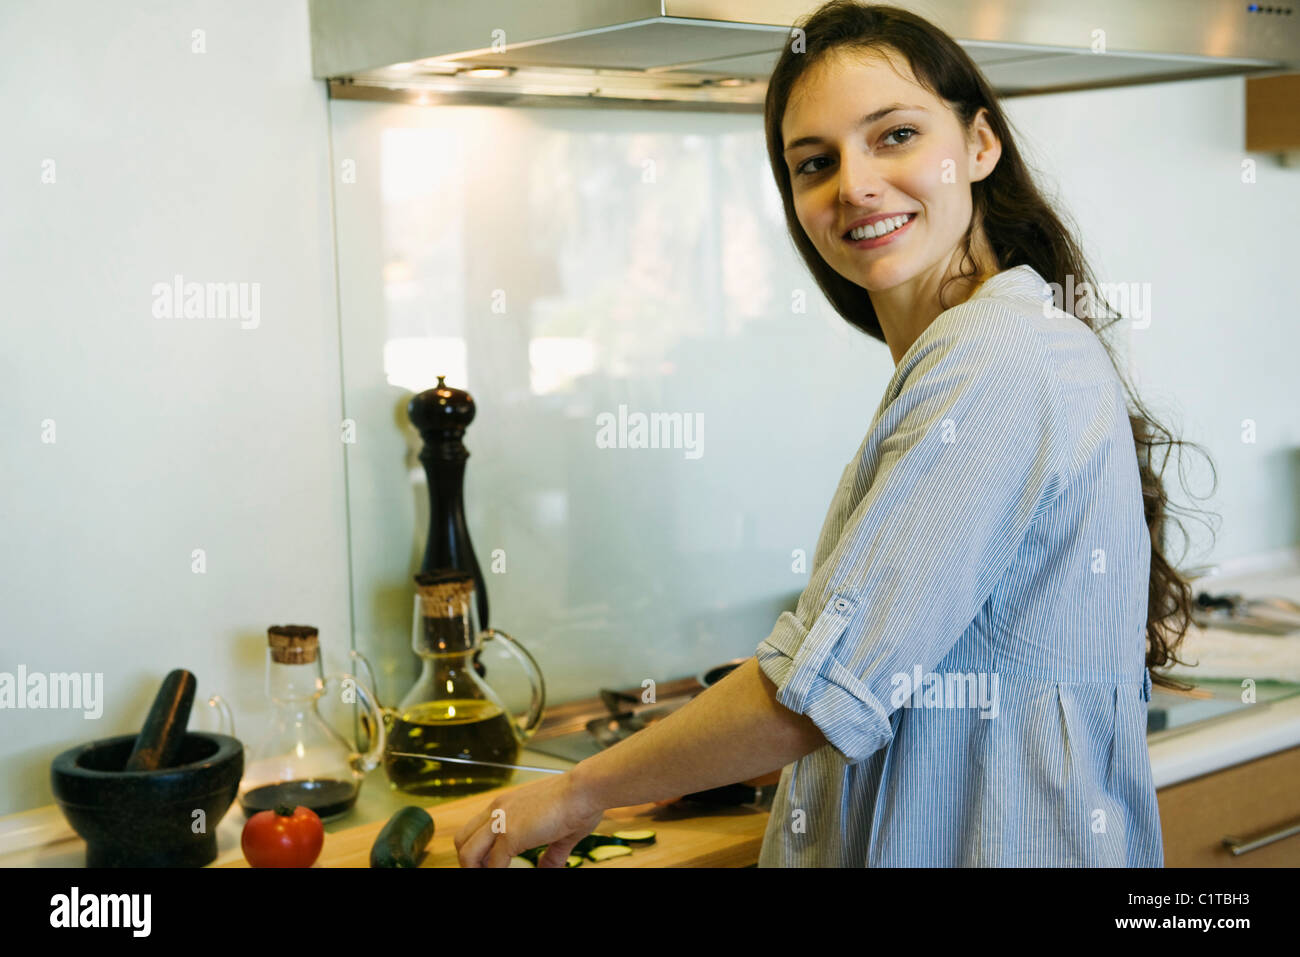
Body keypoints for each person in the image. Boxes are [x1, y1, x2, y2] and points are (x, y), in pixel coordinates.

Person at [455, 1, 1213, 868]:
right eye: (814, 162)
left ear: (979, 145)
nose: (852, 184)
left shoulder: (997, 357)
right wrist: (686, 756)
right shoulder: (993, 345)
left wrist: (578, 786)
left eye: (892, 135)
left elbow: (818, 696)